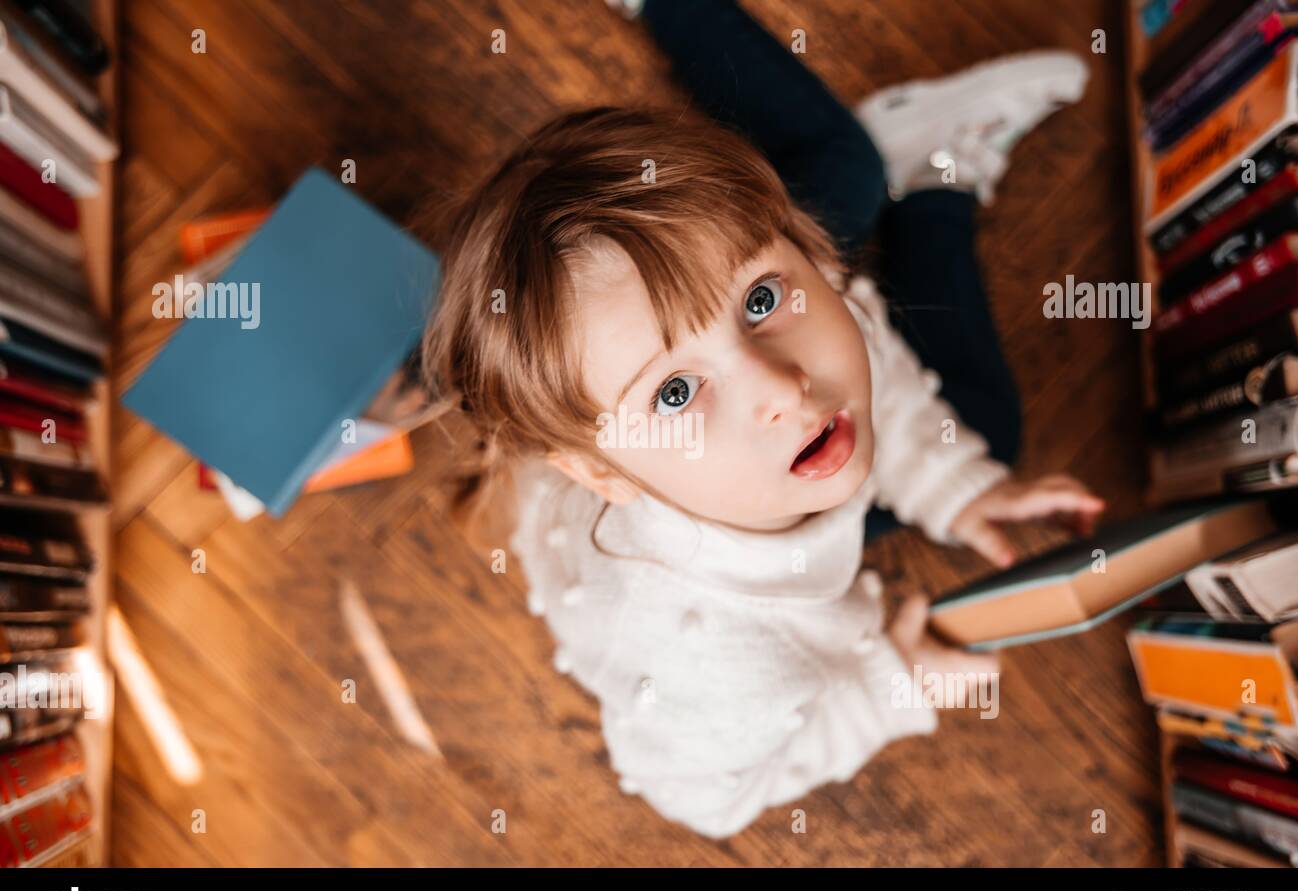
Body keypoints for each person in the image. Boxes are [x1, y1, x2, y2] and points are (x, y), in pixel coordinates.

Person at [420, 0, 1105, 839]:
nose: (780, 385)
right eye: (674, 392)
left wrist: (951, 484)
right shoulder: (718, 663)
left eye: (760, 297)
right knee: (978, 405)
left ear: (812, 254)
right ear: (603, 471)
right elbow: (704, 798)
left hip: (758, 481)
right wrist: (895, 685)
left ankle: (907, 169)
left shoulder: (810, 347)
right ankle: (932, 183)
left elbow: (873, 366)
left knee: (848, 176)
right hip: (713, 580)